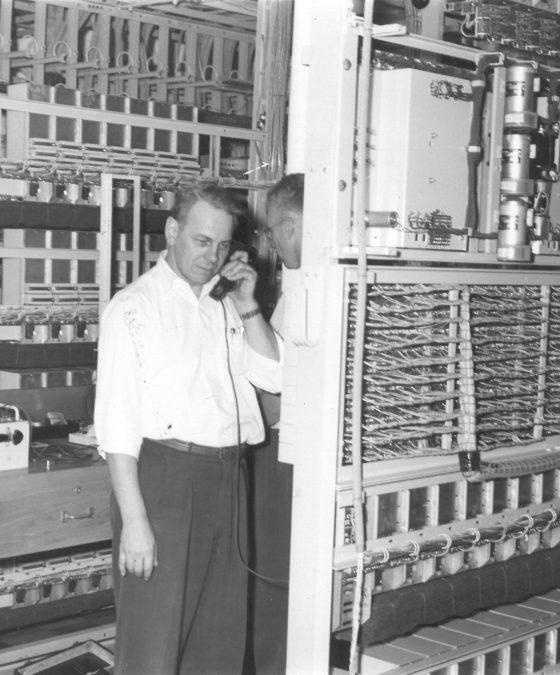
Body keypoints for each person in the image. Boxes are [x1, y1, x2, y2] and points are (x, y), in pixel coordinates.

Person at [94, 181, 284, 674]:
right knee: (153, 648)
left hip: (228, 478)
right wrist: (135, 525)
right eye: (202, 241)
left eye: (223, 245)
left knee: (219, 645)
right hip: (165, 482)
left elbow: (275, 376)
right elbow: (115, 427)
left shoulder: (226, 305)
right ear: (173, 231)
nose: (213, 255)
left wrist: (248, 302)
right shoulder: (133, 307)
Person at [248, 173, 303, 674]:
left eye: (269, 231)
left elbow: (274, 402)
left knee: (273, 580)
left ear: (288, 226)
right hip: (308, 458)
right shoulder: (317, 282)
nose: (269, 242)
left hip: (283, 459)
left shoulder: (306, 291)